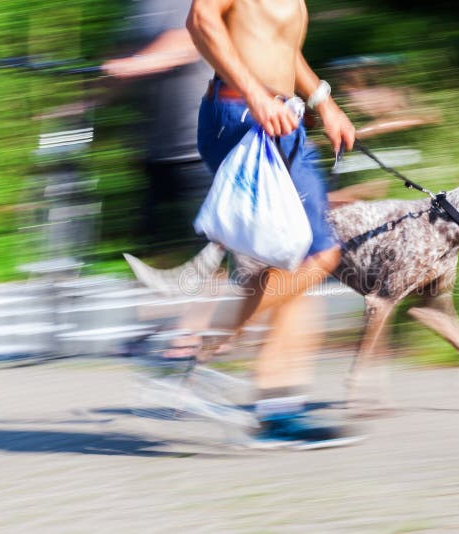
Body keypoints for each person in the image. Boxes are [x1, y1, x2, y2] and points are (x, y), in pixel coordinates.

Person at [186, 0, 359, 447]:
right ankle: (213, 358)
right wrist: (256, 95)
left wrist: (326, 103)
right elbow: (201, 18)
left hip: (281, 117)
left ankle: (275, 408)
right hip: (245, 117)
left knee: (292, 266)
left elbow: (282, 48)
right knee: (317, 255)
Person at [102, 0, 215, 257]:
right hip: (154, 154)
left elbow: (185, 43)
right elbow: (123, 56)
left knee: (207, 260)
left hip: (197, 154)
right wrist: (85, 103)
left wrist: (131, 65)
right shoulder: (138, 6)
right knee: (153, 257)